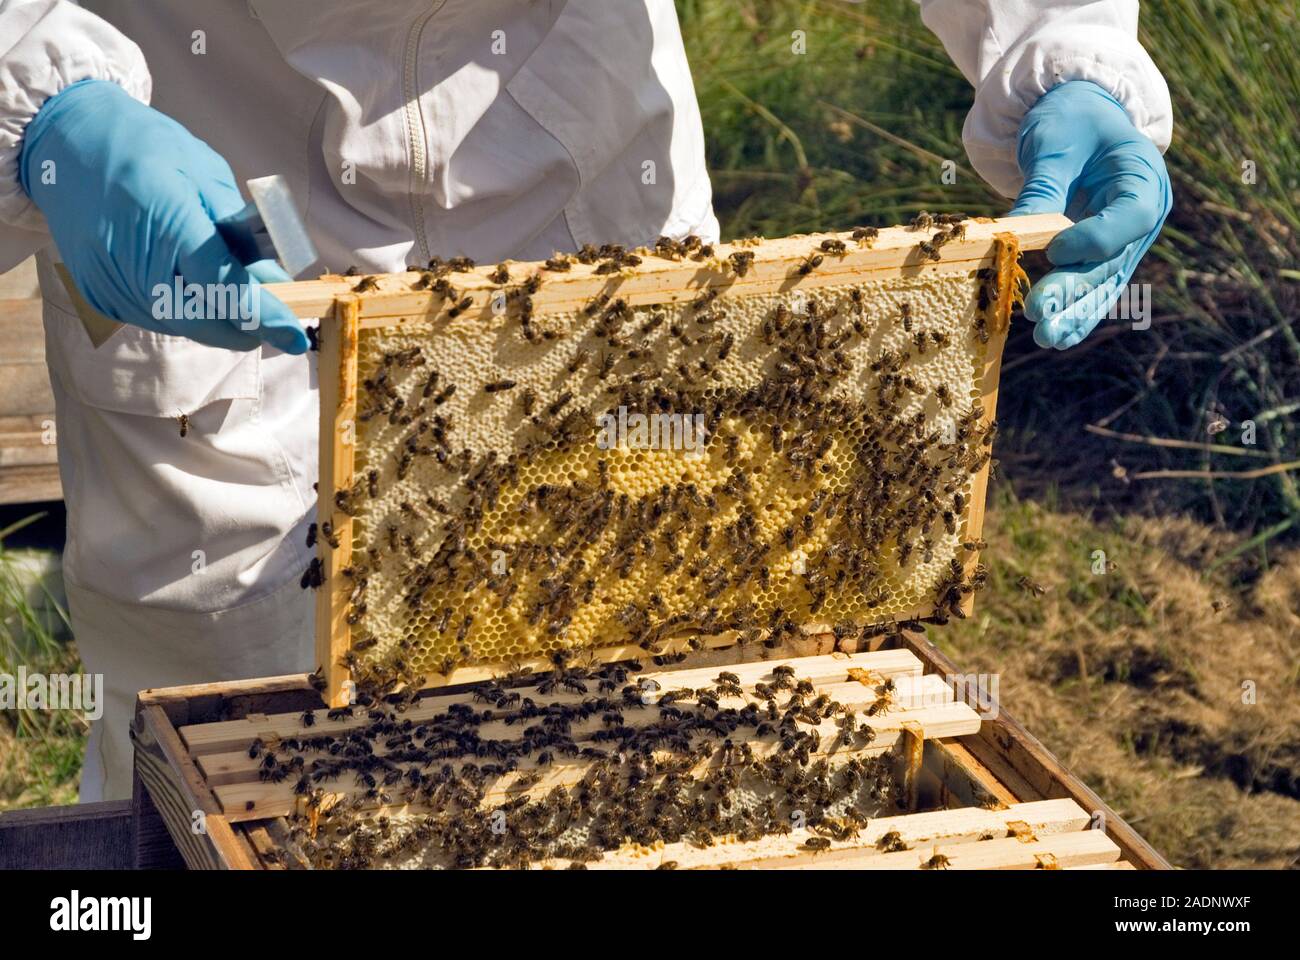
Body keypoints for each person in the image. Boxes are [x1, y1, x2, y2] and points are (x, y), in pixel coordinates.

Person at [0, 0, 1171, 801]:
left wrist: (1060, 49)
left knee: (653, 702)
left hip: (584, 159)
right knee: (238, 735)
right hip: (210, 158)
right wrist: (41, 109)